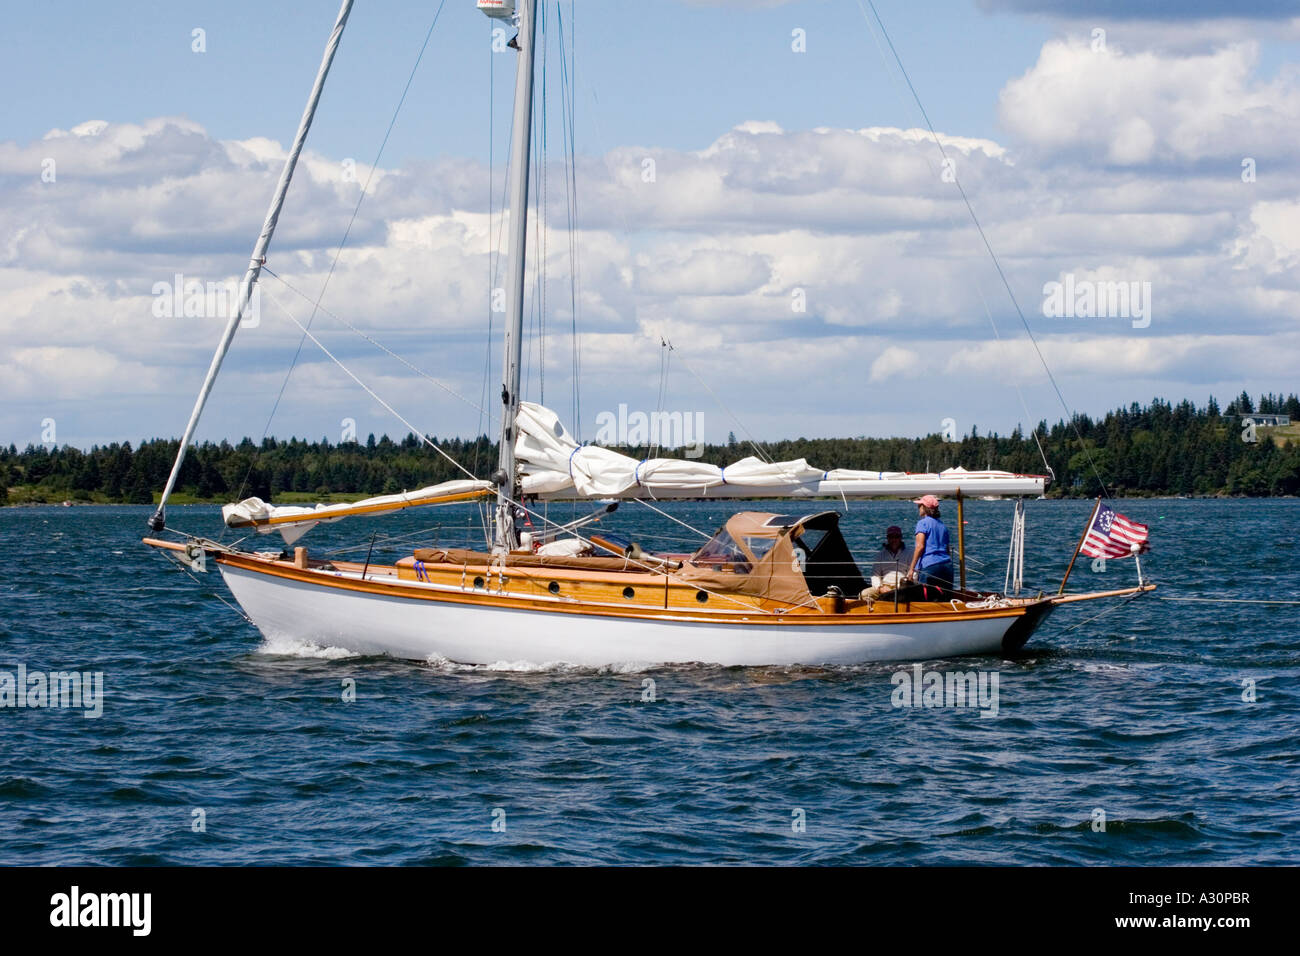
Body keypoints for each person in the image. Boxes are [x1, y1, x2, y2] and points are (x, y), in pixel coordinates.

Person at [905, 494, 953, 590]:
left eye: (920, 506)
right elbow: (947, 549)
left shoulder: (922, 523)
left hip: (930, 566)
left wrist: (911, 569)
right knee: (945, 596)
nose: (918, 508)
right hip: (947, 566)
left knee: (927, 596)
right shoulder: (942, 525)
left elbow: (920, 546)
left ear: (924, 507)